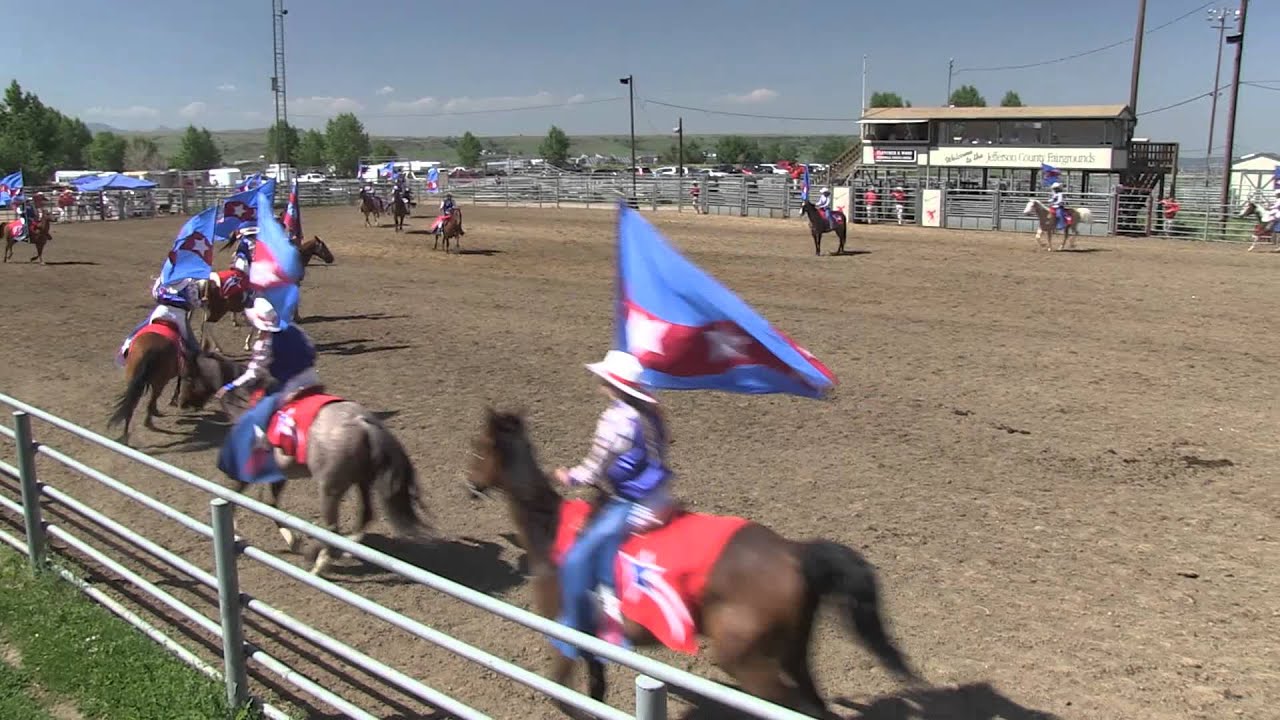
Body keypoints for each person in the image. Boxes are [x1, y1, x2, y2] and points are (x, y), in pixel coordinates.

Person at [551, 350, 675, 657]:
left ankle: (604, 625)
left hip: (633, 502)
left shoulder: (615, 420)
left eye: (603, 378)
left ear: (614, 385)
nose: (599, 381)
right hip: (661, 495)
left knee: (580, 556)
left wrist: (568, 477)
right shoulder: (652, 409)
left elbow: (593, 467)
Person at [214, 297, 321, 486]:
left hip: (290, 384)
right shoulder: (294, 328)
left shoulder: (264, 343)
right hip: (312, 378)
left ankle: (264, 455)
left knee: (259, 418)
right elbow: (312, 348)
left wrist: (230, 386)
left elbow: (253, 373)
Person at [118, 278, 202, 367]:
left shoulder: (163, 278)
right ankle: (197, 366)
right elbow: (194, 302)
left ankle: (126, 348)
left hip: (160, 311)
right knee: (193, 345)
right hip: (178, 315)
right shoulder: (190, 283)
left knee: (138, 330)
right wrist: (201, 303)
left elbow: (155, 293)